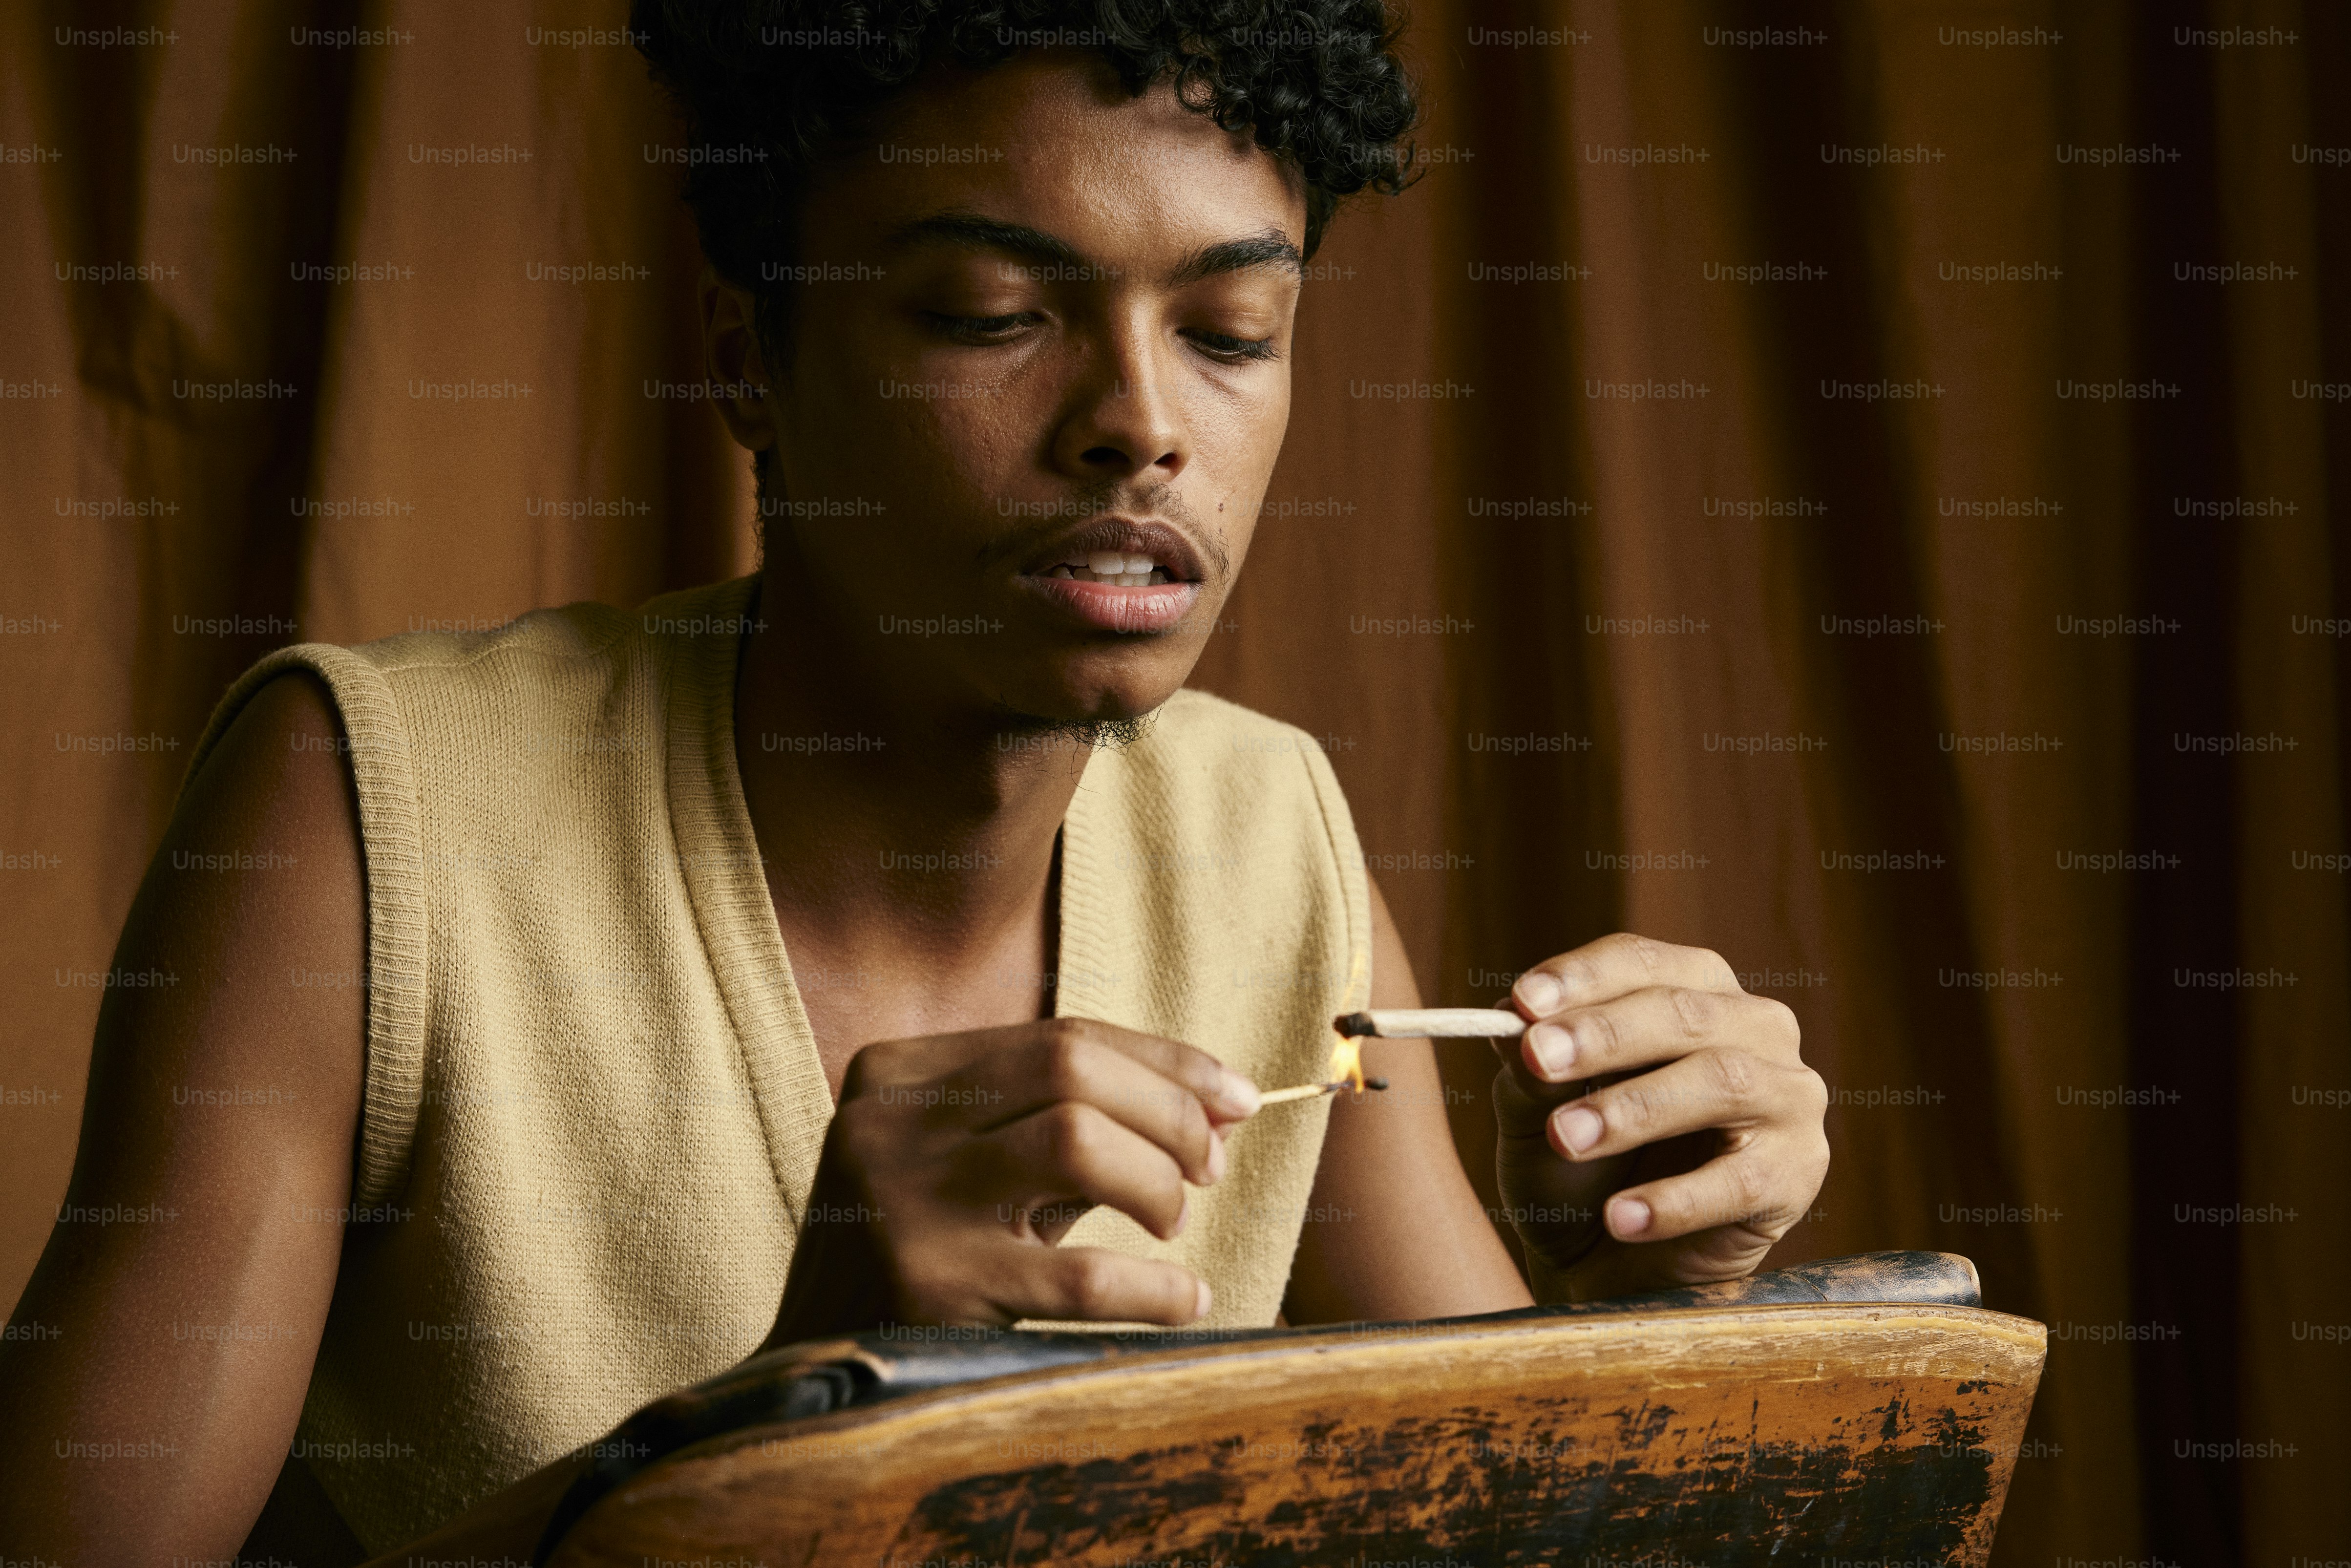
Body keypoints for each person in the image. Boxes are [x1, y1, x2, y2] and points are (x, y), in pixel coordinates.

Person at [0, 1, 1829, 1560]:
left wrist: (1660, 1316)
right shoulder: (361, 817)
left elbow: (1497, 1513)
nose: (1143, 421)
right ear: (749, 360)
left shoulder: (1275, 844)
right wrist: (784, 1437)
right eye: (985, 312)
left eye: (1231, 332)